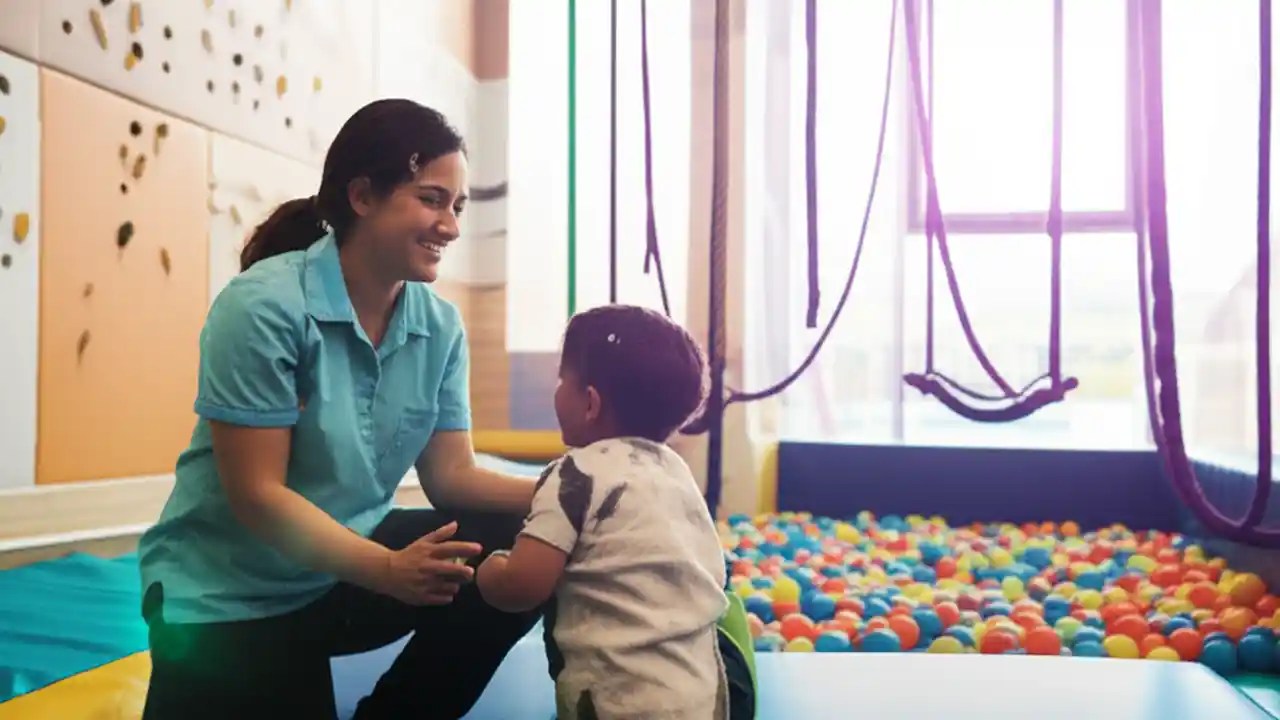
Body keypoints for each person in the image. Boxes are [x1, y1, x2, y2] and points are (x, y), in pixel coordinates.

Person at [136, 98, 542, 719]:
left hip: (342, 574)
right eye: (432, 199)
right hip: (225, 598)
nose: (452, 227)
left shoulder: (439, 327)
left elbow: (451, 476)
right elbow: (258, 497)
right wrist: (385, 569)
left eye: (457, 207)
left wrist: (572, 493)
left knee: (524, 546)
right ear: (361, 196)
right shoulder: (263, 307)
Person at [475, 304, 756, 719]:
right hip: (707, 699)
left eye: (561, 379)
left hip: (617, 704)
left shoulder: (574, 474)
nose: (556, 390)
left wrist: (489, 570)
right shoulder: (676, 472)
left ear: (590, 403)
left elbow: (523, 585)